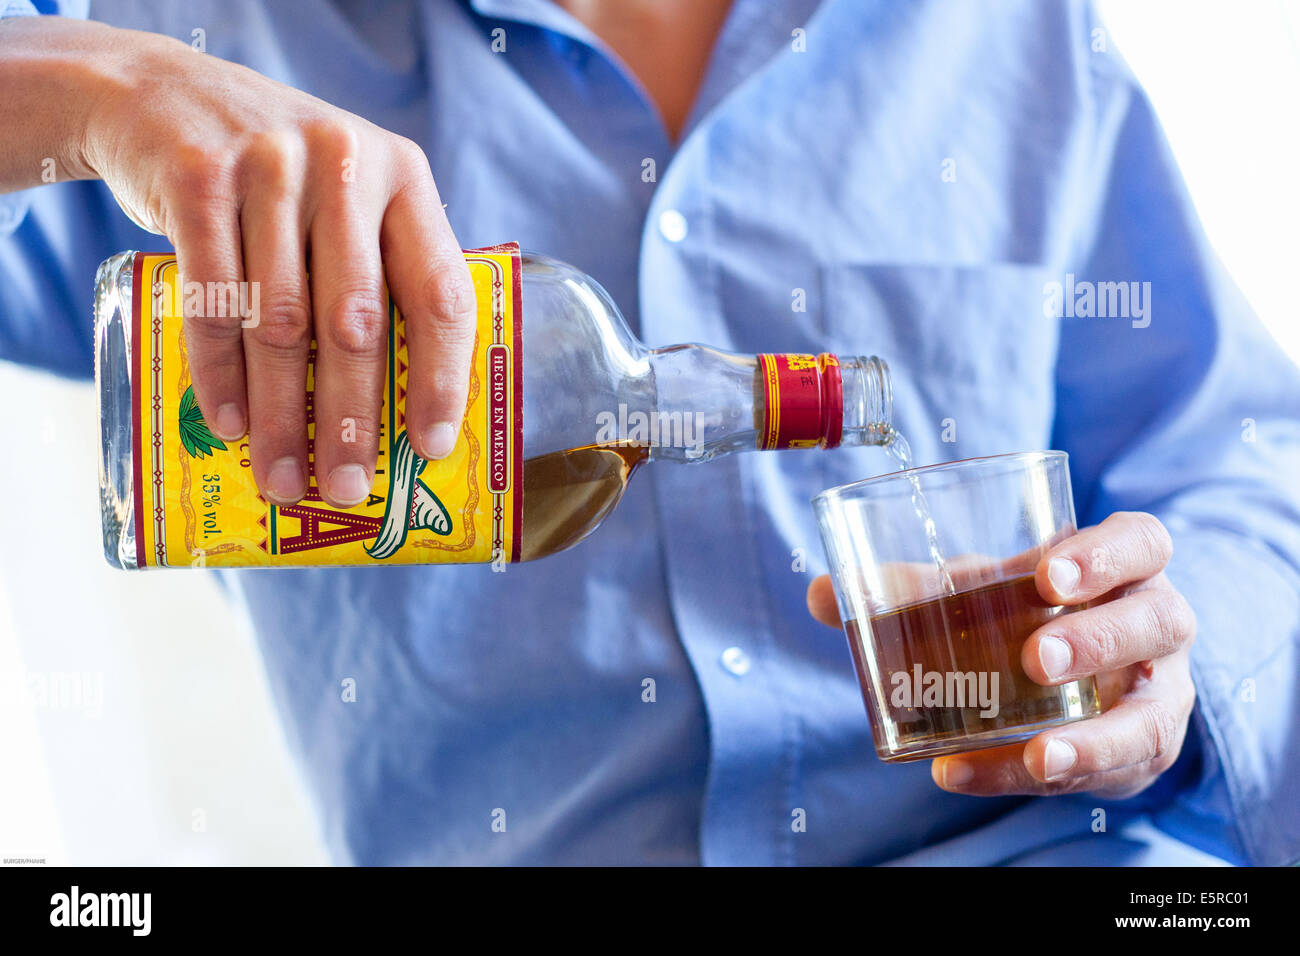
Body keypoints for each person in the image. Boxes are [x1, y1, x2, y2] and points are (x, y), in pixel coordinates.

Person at [1, 0, 1297, 866]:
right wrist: (94, 87)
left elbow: (1244, 469)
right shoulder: (218, 25)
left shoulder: (1003, 31)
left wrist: (1163, 649)